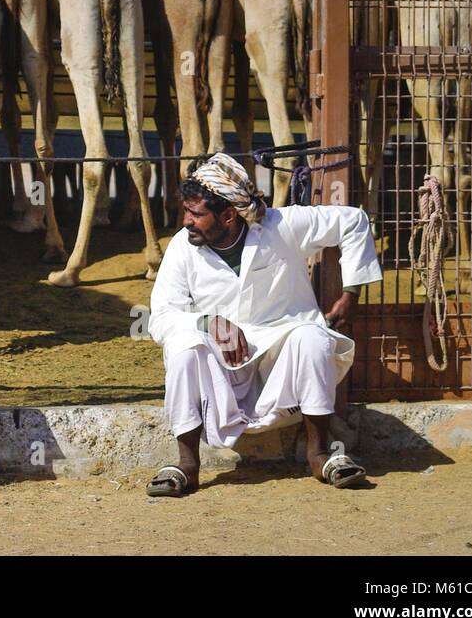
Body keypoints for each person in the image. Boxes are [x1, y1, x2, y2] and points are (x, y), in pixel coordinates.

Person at [146, 152, 382, 496]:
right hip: (222, 375)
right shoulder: (182, 248)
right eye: (186, 211)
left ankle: (318, 454)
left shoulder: (281, 226)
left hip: (280, 367)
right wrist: (207, 321)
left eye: (196, 214)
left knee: (312, 337)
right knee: (183, 346)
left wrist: (351, 293)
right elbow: (162, 317)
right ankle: (187, 464)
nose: (185, 221)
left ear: (229, 215)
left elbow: (354, 221)